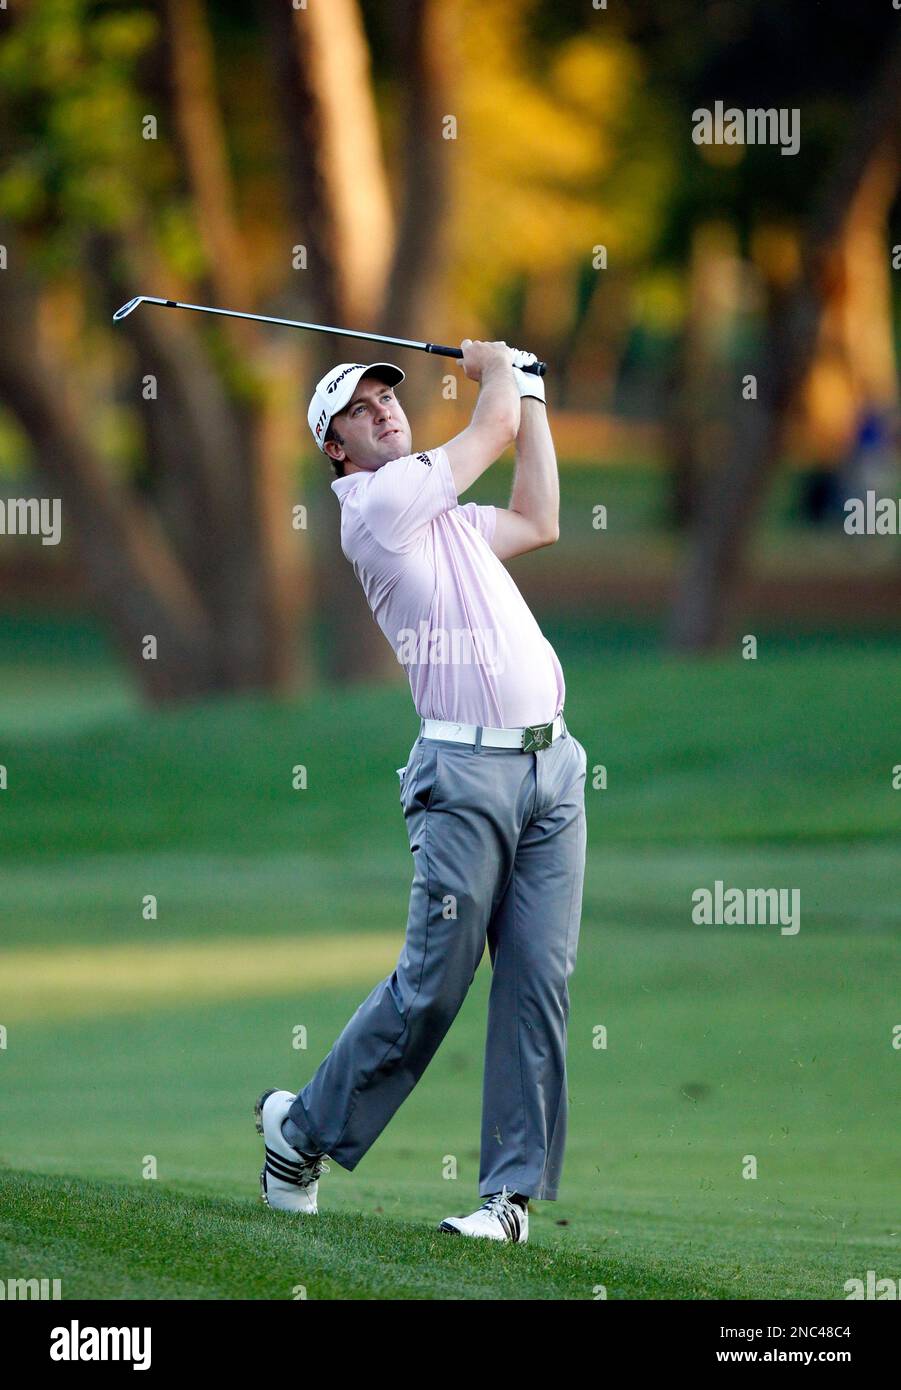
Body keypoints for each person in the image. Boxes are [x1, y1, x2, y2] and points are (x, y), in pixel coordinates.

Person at [255, 339, 588, 1243]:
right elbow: (488, 431)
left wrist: (536, 392)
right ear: (337, 446)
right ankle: (301, 1133)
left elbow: (540, 516)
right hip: (463, 778)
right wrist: (499, 374)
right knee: (432, 988)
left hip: (552, 769)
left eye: (387, 399)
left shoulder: (442, 521)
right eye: (361, 411)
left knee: (537, 983)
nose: (385, 412)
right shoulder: (376, 507)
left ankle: (507, 1203)